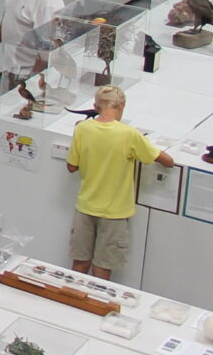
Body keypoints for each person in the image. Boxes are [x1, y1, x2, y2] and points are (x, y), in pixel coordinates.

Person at [66, 85, 173, 280]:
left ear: (95, 106)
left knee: (79, 264)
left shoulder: (82, 128)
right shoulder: (129, 134)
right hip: (115, 213)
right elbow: (166, 161)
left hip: (85, 206)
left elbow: (72, 166)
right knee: (103, 268)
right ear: (121, 105)